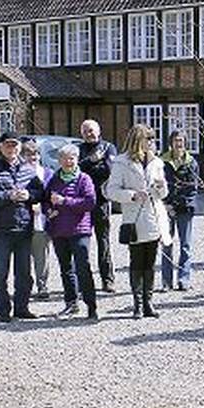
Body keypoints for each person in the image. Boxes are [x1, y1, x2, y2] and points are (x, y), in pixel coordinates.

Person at [0, 131, 44, 322]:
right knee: (0, 273)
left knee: (23, 273)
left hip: (23, 227)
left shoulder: (29, 169)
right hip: (1, 229)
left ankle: (22, 307)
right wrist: (7, 196)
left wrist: (29, 196)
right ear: (1, 147)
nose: (11, 148)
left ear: (19, 147)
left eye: (14, 145)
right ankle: (3, 310)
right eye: (7, 145)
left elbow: (40, 192)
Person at [105, 124, 171, 318]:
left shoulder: (157, 162)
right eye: (148, 139)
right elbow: (112, 191)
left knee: (150, 263)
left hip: (153, 216)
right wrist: (133, 195)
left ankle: (148, 302)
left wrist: (161, 186)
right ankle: (137, 304)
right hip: (134, 217)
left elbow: (163, 193)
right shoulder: (121, 162)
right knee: (136, 261)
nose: (151, 143)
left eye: (152, 139)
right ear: (137, 140)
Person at [44, 143, 98, 319]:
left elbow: (89, 203)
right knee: (65, 269)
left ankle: (91, 305)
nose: (68, 162)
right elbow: (46, 200)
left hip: (79, 230)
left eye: (72, 158)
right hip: (59, 230)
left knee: (83, 267)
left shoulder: (84, 179)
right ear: (59, 160)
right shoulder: (54, 179)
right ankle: (71, 303)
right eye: (65, 158)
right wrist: (48, 210)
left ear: (76, 159)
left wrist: (64, 201)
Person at [77, 119, 118, 293]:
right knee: (80, 243)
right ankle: (82, 281)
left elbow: (109, 170)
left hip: (101, 201)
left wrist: (89, 166)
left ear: (99, 131)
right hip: (81, 202)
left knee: (103, 241)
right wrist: (92, 161)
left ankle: (107, 279)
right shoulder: (78, 149)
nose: (89, 133)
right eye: (86, 131)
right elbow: (75, 171)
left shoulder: (108, 147)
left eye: (92, 130)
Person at [162, 129, 199, 291]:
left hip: (186, 209)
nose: (179, 144)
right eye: (176, 140)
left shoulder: (192, 163)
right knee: (166, 244)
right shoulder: (161, 162)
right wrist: (166, 204)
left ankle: (184, 279)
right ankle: (166, 281)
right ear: (171, 143)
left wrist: (179, 204)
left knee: (185, 245)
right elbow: (158, 185)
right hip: (166, 209)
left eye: (181, 140)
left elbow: (193, 189)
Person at [22, 139, 52, 300]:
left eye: (35, 154)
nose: (32, 157)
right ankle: (25, 287)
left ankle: (42, 285)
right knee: (24, 256)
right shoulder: (19, 173)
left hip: (42, 219)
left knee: (41, 255)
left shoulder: (47, 173)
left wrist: (43, 208)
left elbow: (51, 195)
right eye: (28, 154)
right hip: (23, 220)